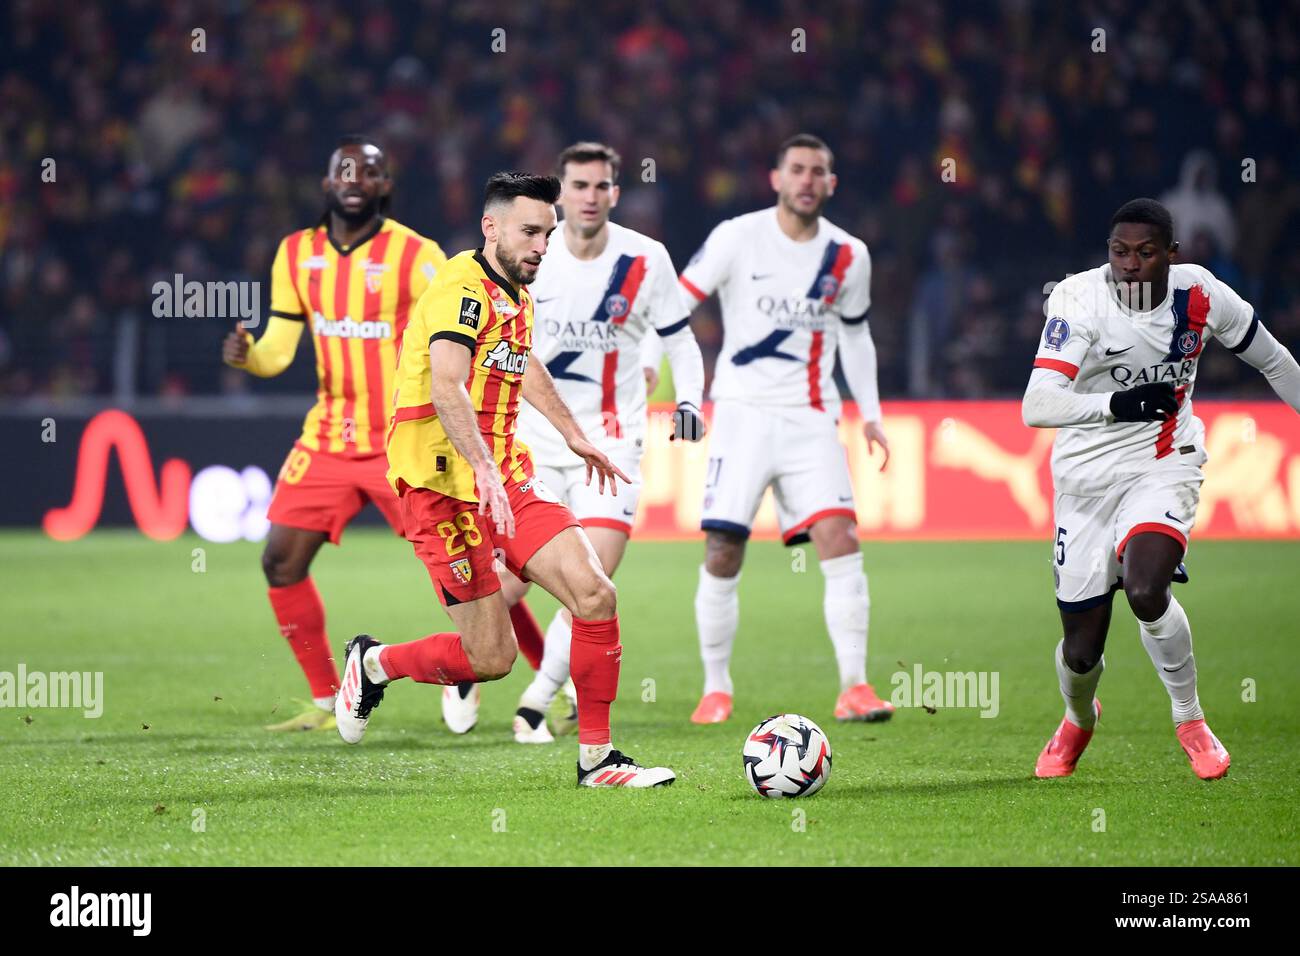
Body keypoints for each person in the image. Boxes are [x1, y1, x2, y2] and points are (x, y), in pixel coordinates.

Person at [335, 172, 676, 788]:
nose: (542, 245)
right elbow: (447, 386)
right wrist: (482, 467)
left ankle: (598, 762)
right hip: (441, 487)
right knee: (491, 658)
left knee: (596, 595)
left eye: (548, 233)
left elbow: (523, 362)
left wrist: (573, 434)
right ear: (490, 228)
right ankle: (376, 663)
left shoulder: (516, 293)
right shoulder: (458, 290)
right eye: (530, 232)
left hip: (507, 481)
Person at [438, 141, 706, 743]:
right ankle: (467, 667)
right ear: (563, 189)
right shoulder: (535, 253)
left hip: (610, 442)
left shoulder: (648, 259)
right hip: (528, 439)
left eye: (601, 186)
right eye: (579, 185)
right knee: (507, 584)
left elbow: (682, 342)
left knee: (594, 581)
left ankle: (537, 701)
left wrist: (688, 399)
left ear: (616, 192)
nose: (590, 197)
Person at [1024, 197, 1300, 779]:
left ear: (1171, 256)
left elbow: (1274, 361)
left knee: (1146, 589)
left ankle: (1190, 718)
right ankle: (1077, 717)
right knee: (1081, 649)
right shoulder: (1078, 299)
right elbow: (1036, 404)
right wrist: (1117, 403)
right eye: (1119, 252)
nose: (1129, 264)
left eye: (1145, 253)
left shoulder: (1200, 296)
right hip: (1084, 480)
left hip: (1163, 460)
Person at [223, 135, 445, 731]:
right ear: (326, 184)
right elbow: (277, 351)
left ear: (384, 186)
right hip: (327, 437)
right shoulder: (296, 253)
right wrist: (248, 357)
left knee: (472, 565)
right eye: (342, 170)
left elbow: (457, 338)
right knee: (280, 561)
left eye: (367, 171)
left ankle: (516, 681)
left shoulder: (418, 256)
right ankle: (328, 698)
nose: (353, 179)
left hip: (404, 439)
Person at [677, 133, 893, 725]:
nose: (806, 180)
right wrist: (678, 383)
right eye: (796, 169)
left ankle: (855, 686)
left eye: (817, 171)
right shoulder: (736, 237)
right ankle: (716, 687)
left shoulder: (850, 255)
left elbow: (855, 334)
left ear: (831, 184)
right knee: (723, 548)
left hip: (811, 418)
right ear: (776, 178)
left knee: (841, 539)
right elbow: (678, 303)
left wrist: (869, 412)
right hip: (742, 414)